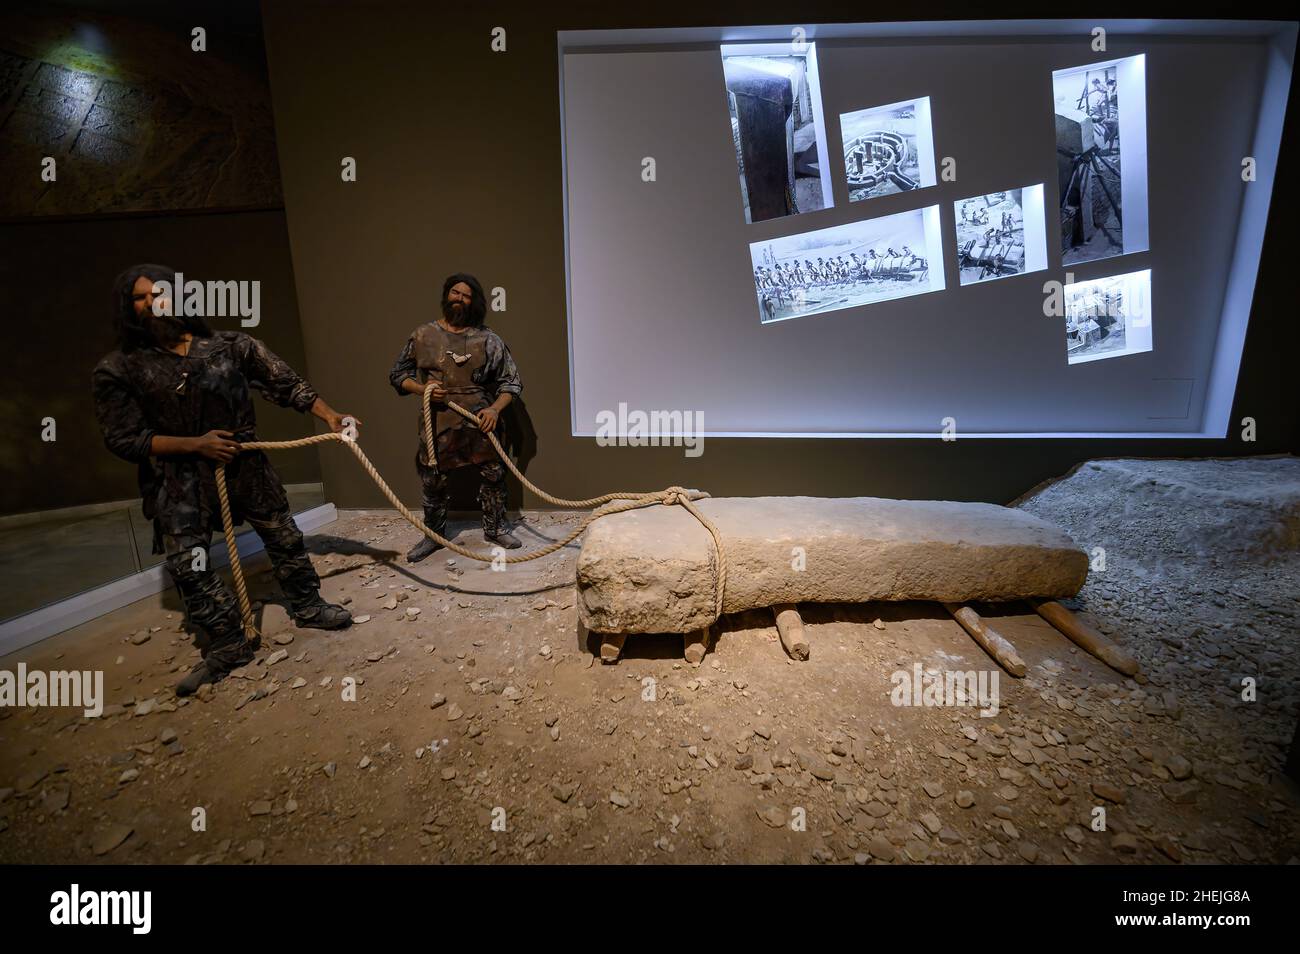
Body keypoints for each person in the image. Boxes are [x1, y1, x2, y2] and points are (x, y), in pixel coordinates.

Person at [92, 264, 357, 695]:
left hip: (244, 463)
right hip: (176, 479)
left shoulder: (229, 347)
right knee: (188, 563)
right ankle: (228, 641)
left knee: (283, 536)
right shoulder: (119, 369)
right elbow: (123, 438)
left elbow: (287, 384)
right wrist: (194, 445)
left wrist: (332, 416)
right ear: (129, 307)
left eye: (158, 292)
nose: (152, 302)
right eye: (139, 297)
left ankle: (308, 606)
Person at [389, 273, 523, 562]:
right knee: (433, 481)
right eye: (454, 292)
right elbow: (398, 375)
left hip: (479, 419)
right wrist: (422, 389)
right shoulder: (423, 335)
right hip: (438, 421)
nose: (459, 298)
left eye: (465, 295)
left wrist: (494, 410)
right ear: (446, 296)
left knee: (493, 476)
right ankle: (433, 535)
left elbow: (511, 383)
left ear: (473, 301)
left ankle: (496, 528)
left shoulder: (488, 340)